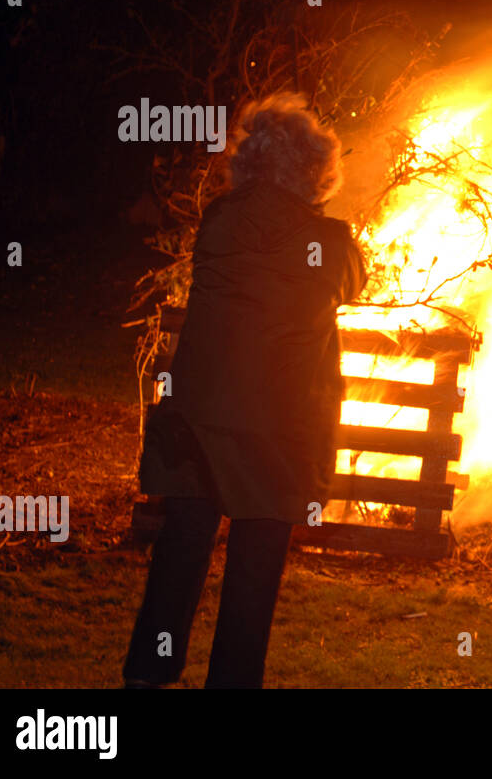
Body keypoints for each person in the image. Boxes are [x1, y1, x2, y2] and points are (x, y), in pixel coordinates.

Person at [123, 93, 365, 688]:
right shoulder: (331, 241)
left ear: (249, 161)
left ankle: (149, 673)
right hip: (276, 432)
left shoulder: (219, 221)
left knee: (181, 548)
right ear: (315, 171)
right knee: (254, 569)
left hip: (198, 420)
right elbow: (354, 282)